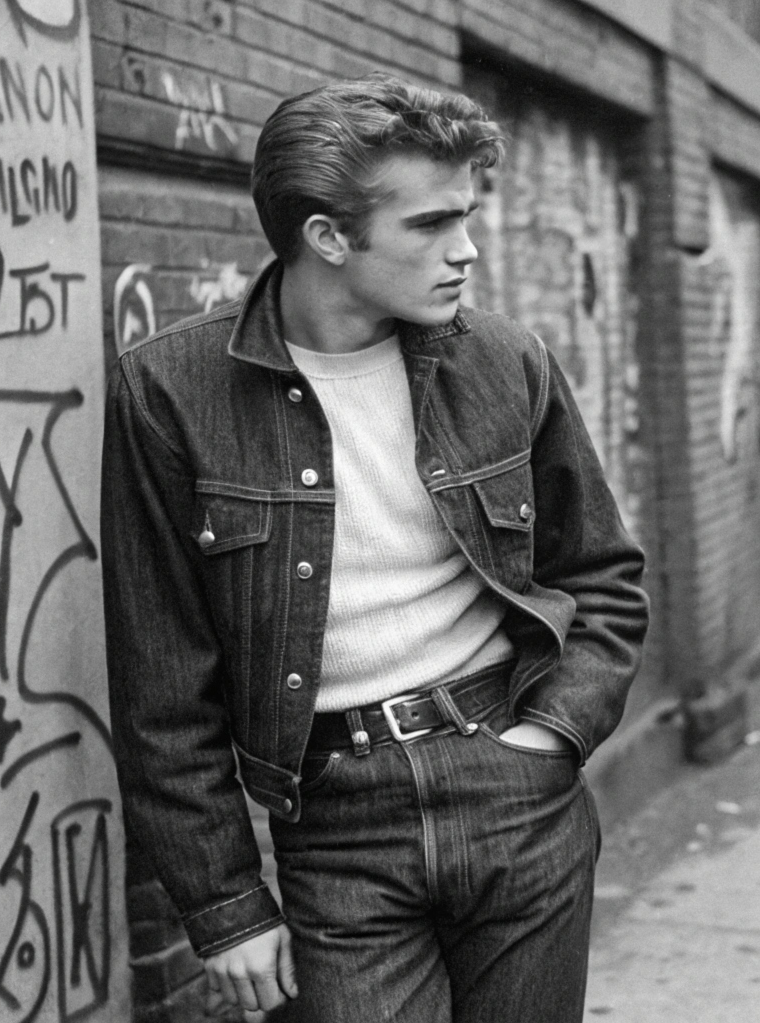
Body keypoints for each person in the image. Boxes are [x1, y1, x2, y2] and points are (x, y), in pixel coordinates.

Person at [102, 74, 648, 1021]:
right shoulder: (171, 392)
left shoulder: (503, 360)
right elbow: (160, 688)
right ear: (329, 237)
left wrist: (552, 735)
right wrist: (229, 909)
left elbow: (600, 575)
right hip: (335, 822)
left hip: (514, 783)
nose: (466, 251)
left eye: (467, 218)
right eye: (431, 225)